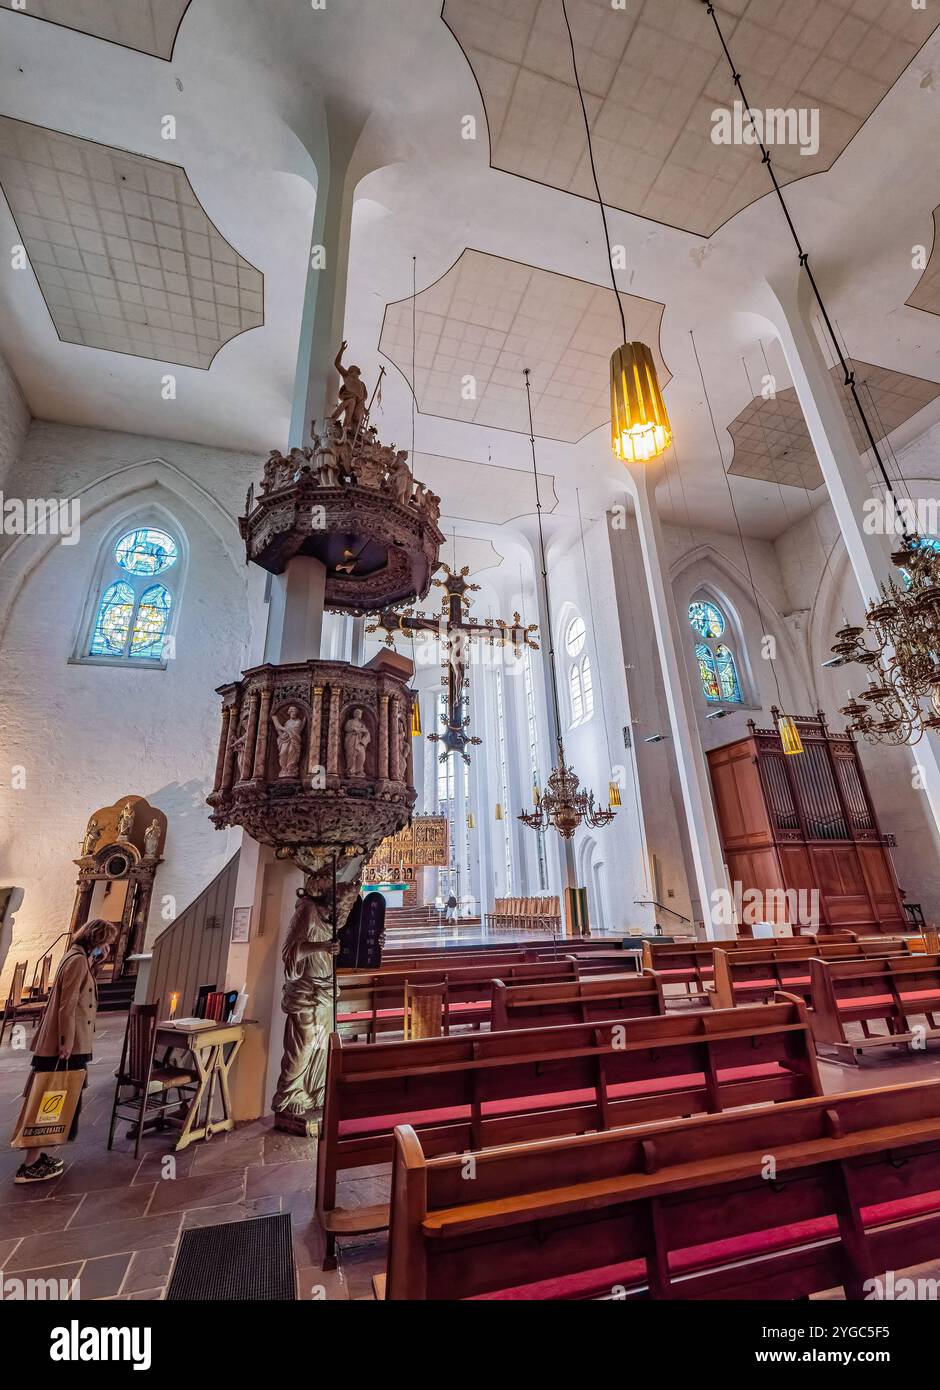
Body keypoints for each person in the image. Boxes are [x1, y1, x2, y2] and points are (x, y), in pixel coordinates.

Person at [14, 919, 118, 1184]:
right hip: (64, 1046)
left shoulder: (80, 958)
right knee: (49, 1097)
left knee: (59, 1097)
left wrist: (95, 963)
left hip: (71, 1042)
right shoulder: (76, 961)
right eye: (105, 943)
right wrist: (65, 1042)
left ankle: (36, 1157)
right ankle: (30, 1164)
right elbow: (67, 1005)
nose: (107, 948)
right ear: (95, 939)